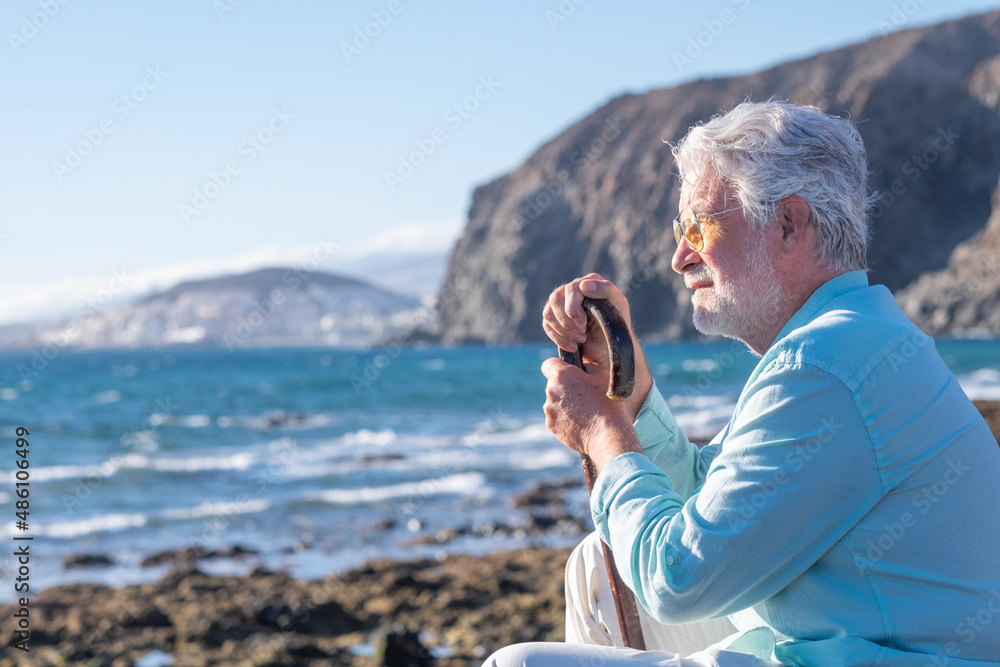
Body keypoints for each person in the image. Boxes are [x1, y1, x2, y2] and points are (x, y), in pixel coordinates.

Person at [483, 101, 1000, 667]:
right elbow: (712, 503)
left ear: (788, 226)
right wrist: (626, 389)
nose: (680, 257)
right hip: (852, 639)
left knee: (517, 666)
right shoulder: (851, 337)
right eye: (681, 230)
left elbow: (677, 581)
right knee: (597, 568)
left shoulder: (823, 364)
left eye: (699, 227)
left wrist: (602, 432)